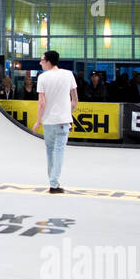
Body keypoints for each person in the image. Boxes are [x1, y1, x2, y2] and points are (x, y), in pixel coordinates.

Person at [34, 50, 78, 194]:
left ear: (48, 61)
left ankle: (52, 181)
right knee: (59, 151)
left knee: (50, 151)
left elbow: (42, 102)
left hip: (48, 121)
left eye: (42, 60)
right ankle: (54, 183)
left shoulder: (42, 78)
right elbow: (75, 100)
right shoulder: (68, 74)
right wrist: (67, 114)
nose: (40, 63)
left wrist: (38, 121)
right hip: (63, 121)